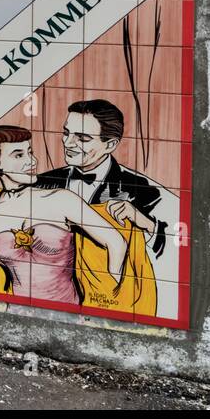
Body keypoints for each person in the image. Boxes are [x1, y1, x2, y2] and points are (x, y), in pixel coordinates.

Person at [0, 125, 156, 315]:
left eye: (30, 152)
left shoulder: (60, 199)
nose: (32, 161)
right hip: (15, 312)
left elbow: (116, 243)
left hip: (67, 312)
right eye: (18, 155)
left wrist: (109, 291)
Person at [35, 99, 177, 285]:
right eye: (66, 133)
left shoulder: (142, 190)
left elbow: (169, 255)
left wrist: (147, 224)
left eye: (83, 138)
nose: (68, 143)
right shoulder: (42, 183)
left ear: (110, 145)